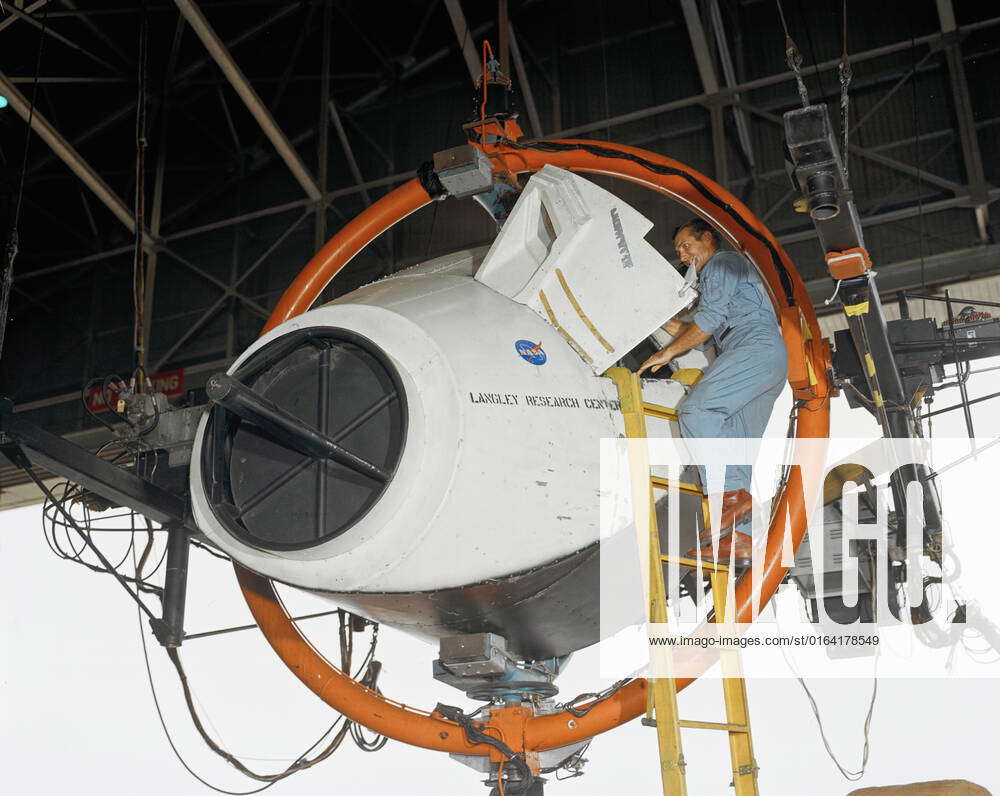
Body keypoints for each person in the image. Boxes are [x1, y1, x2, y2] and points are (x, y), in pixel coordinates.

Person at [637, 218, 787, 563]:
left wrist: (667, 353)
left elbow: (706, 322)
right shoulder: (727, 275)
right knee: (736, 449)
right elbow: (698, 331)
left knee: (696, 412)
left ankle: (732, 498)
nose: (682, 255)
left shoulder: (721, 263)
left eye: (686, 246)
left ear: (707, 238)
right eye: (678, 250)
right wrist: (657, 318)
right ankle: (739, 539)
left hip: (752, 347)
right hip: (766, 358)